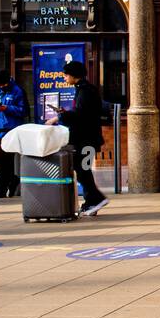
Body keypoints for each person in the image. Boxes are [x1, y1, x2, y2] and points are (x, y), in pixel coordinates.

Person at [55, 61, 108, 216]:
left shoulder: (85, 91)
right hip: (86, 138)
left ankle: (96, 199)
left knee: (83, 169)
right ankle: (91, 202)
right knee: (83, 169)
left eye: (65, 74)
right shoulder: (84, 89)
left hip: (87, 139)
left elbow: (82, 115)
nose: (64, 77)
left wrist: (64, 115)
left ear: (73, 75)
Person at [0, 70, 28, 199]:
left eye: (3, 84)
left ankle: (1, 188)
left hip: (9, 130)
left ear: (8, 81)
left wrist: (7, 109)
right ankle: (12, 178)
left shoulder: (17, 91)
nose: (1, 87)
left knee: (6, 159)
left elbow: (23, 111)